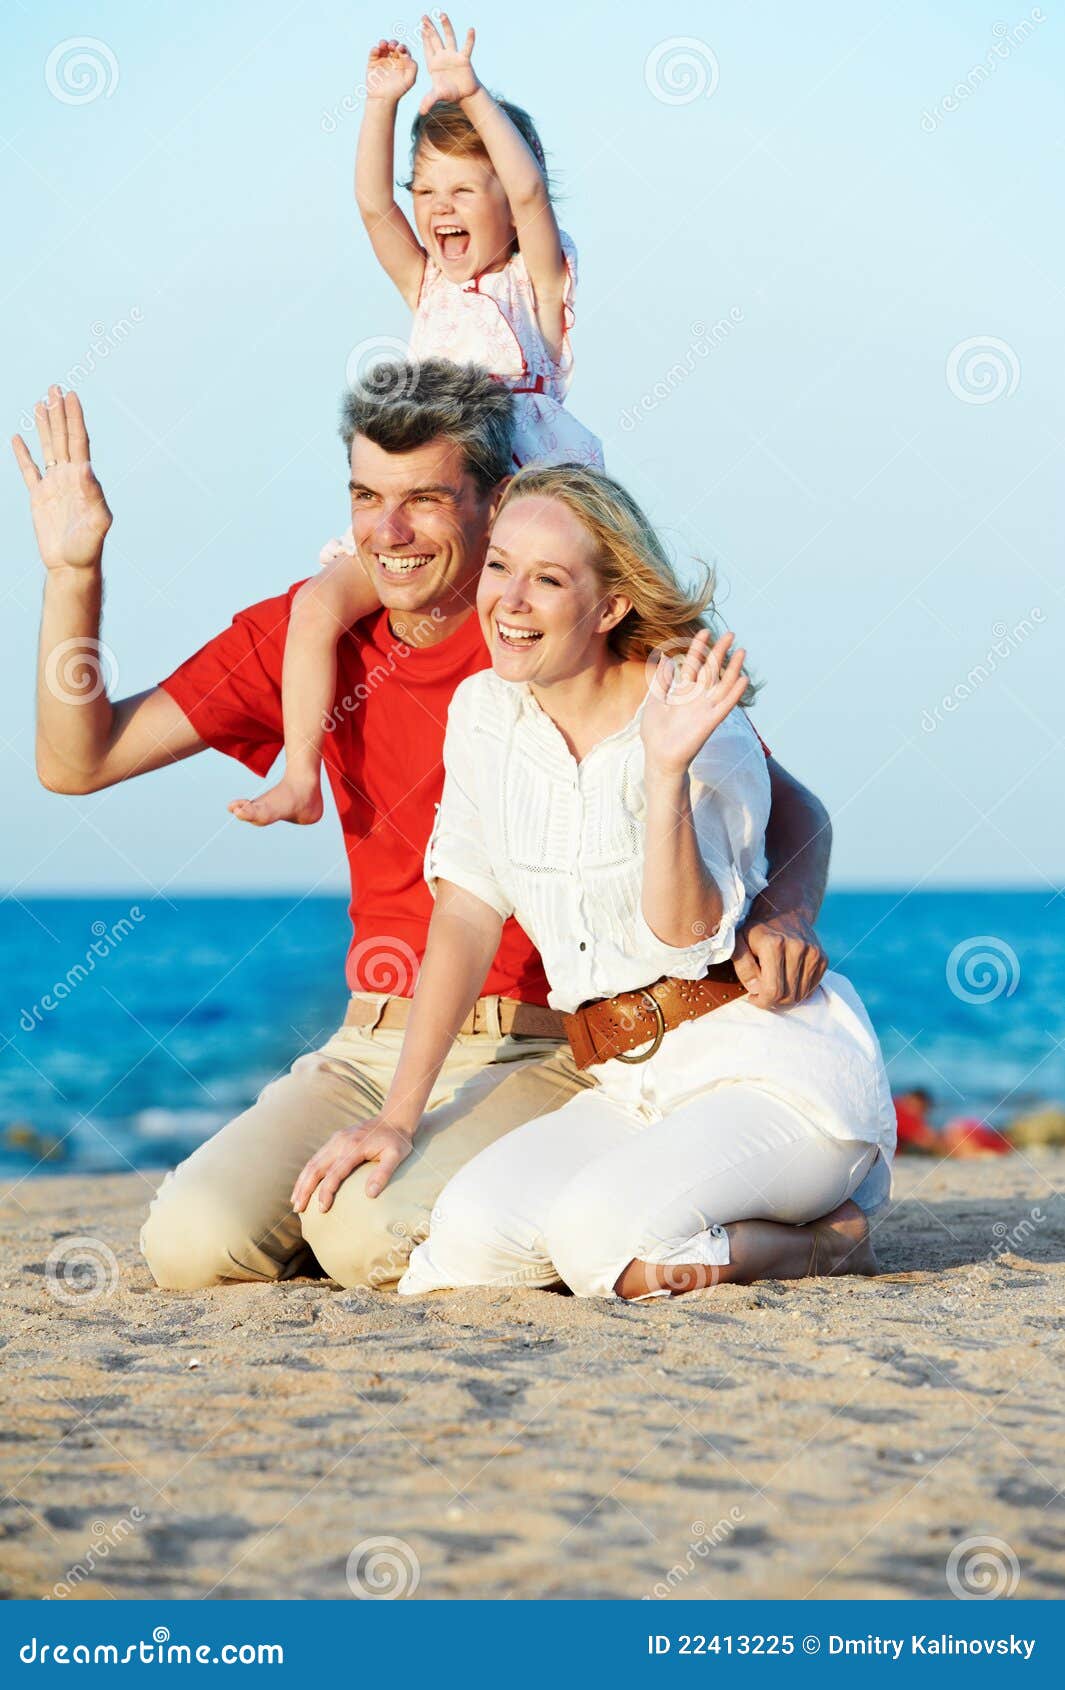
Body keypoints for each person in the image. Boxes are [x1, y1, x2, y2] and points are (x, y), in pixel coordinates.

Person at [13, 363, 834, 1293]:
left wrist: (784, 909)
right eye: (366, 497)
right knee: (193, 1247)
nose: (388, 534)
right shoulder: (308, 643)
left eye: (424, 501)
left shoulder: (557, 635)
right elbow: (75, 763)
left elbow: (788, 801)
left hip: (545, 1042)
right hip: (369, 1042)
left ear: (494, 503)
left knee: (366, 1245)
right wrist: (73, 573)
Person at [293, 466, 895, 1300]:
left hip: (763, 1073)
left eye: (548, 580)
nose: (508, 599)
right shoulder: (481, 714)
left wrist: (663, 772)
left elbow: (686, 936)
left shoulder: (688, 714)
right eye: (499, 566)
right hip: (622, 1081)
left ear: (609, 606)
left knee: (599, 1246)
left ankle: (829, 1240)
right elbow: (465, 915)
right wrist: (400, 1117)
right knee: (462, 1254)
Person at [231, 14, 602, 828]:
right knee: (319, 604)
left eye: (463, 190)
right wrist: (381, 104)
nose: (438, 208)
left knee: (565, 627)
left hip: (521, 503)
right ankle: (299, 776)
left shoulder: (535, 288)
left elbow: (533, 192)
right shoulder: (425, 287)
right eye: (426, 190)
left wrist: (466, 92)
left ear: (506, 198)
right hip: (434, 511)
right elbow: (371, 205)